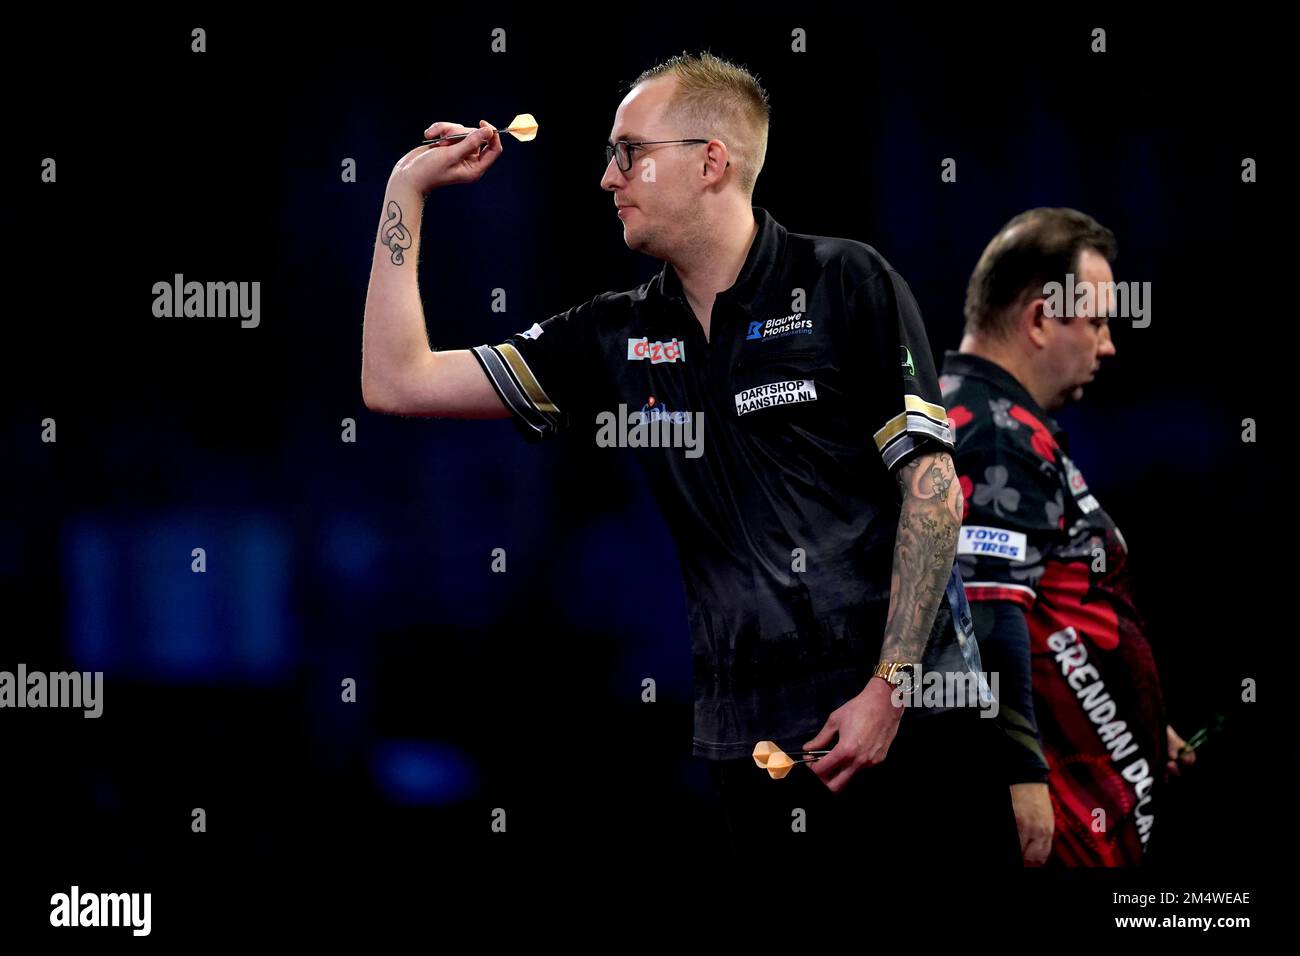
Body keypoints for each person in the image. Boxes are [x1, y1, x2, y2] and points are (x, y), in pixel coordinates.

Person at [362, 51, 1018, 862]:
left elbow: (934, 489)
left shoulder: (848, 280)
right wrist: (405, 191)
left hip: (916, 727)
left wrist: (890, 692)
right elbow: (398, 380)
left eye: (630, 152)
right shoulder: (610, 335)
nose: (609, 178)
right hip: (755, 749)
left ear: (713, 161)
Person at [940, 208, 1196, 866]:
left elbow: (1049, 607)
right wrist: (1021, 773)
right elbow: (987, 614)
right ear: (1039, 318)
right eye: (1097, 321)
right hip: (1047, 822)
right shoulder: (996, 432)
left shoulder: (984, 416)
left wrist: (1136, 722)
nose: (1108, 345)